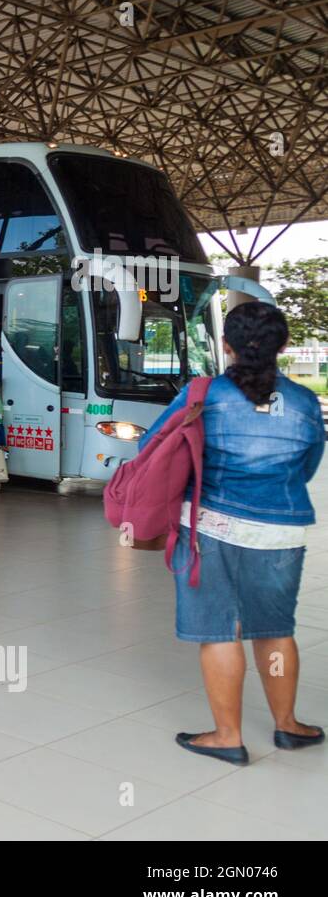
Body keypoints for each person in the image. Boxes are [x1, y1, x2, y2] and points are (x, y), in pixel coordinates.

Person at [141, 301, 324, 764]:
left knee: (220, 631)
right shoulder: (303, 402)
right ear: (282, 346)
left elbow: (152, 446)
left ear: (226, 345)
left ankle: (228, 736)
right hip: (280, 531)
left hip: (210, 527)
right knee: (275, 629)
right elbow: (306, 467)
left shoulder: (205, 395)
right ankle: (287, 727)